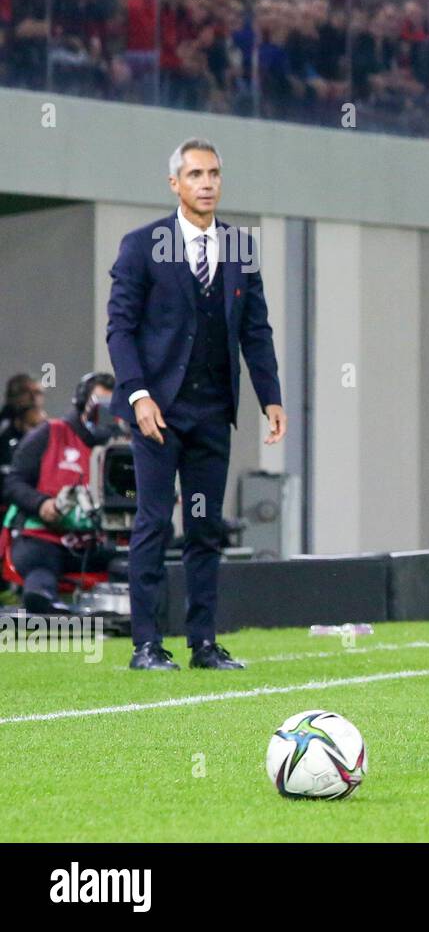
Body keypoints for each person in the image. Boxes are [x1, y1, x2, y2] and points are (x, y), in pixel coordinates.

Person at [106, 137, 286, 671]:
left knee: (205, 528)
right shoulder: (141, 246)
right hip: (157, 412)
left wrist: (271, 397)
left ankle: (203, 643)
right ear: (175, 184)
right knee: (154, 522)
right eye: (195, 175)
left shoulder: (240, 247)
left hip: (212, 413)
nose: (206, 184)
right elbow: (120, 329)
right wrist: (137, 394)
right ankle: (146, 645)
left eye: (213, 174)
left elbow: (256, 330)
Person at [2, 373, 120, 613]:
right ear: (82, 403)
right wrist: (42, 504)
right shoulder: (50, 432)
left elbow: (128, 492)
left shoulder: (121, 446)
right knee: (40, 563)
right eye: (99, 405)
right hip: (45, 537)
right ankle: (43, 599)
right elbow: (13, 483)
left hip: (99, 541)